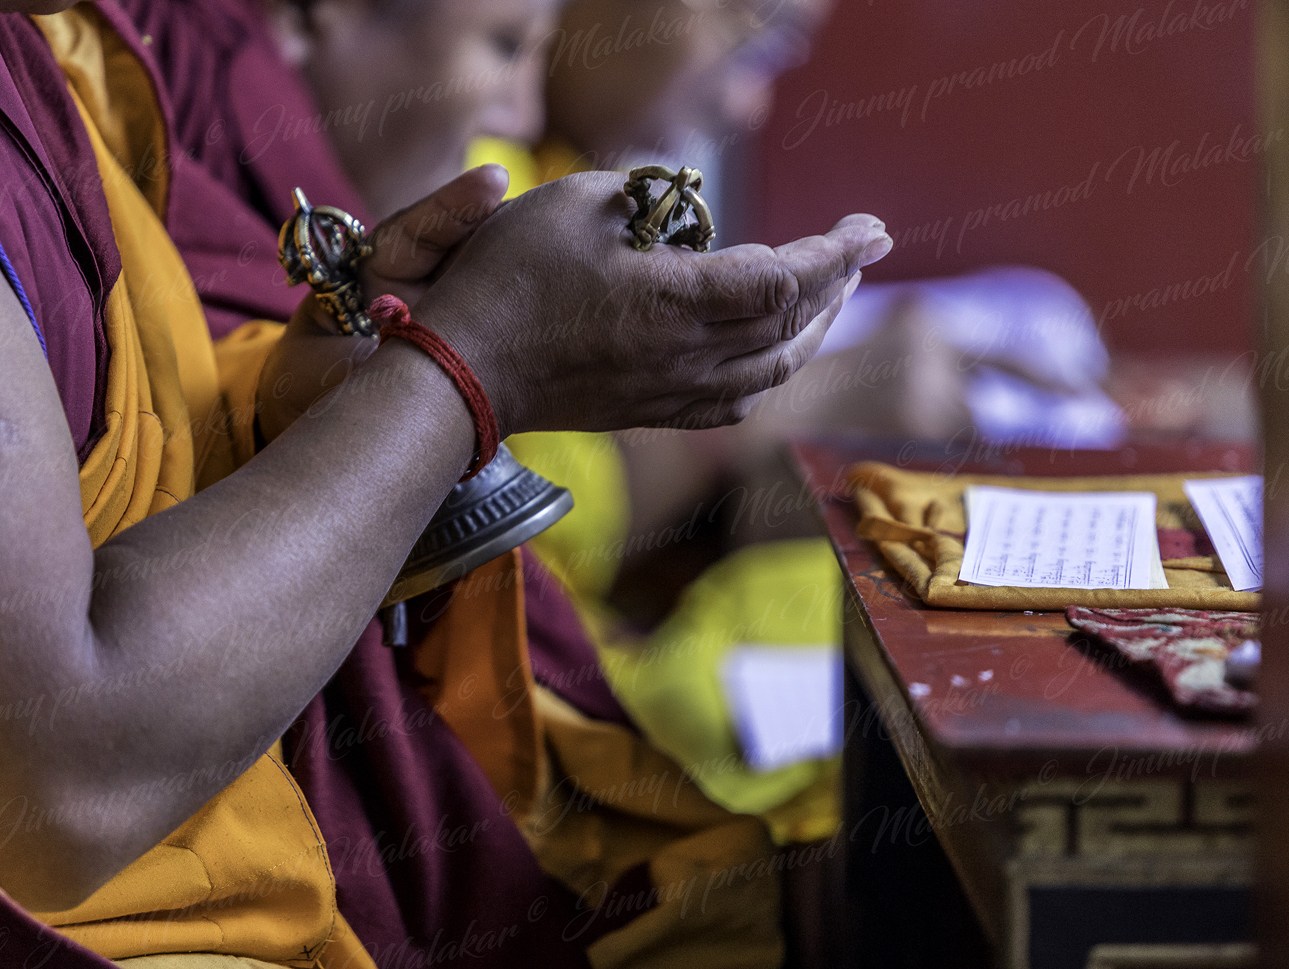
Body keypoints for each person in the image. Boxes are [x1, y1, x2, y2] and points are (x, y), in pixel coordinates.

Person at [0, 5, 892, 969]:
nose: (520, 101)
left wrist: (323, 392)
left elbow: (141, 447)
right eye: (507, 46)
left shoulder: (74, 60)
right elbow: (55, 790)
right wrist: (467, 365)